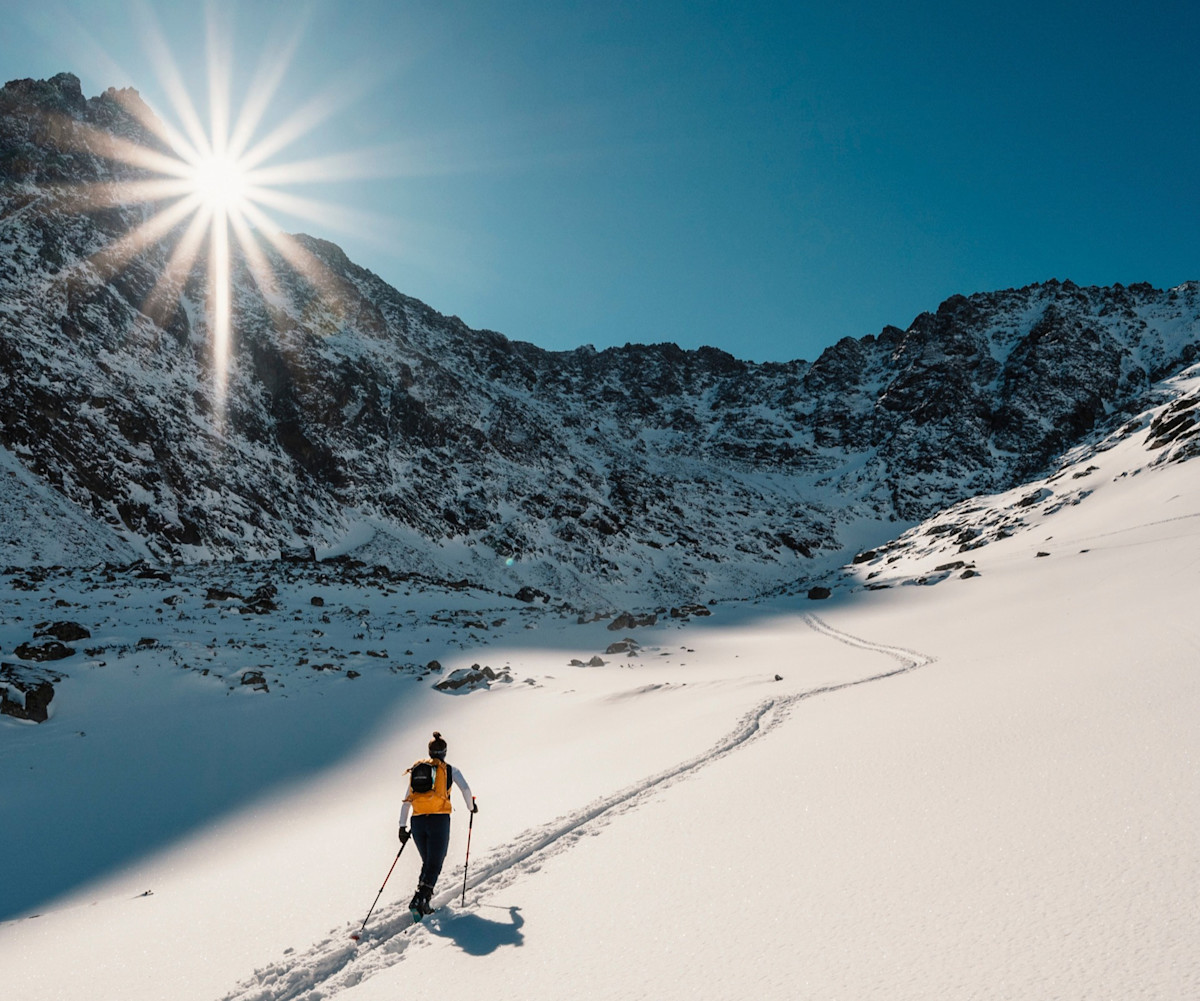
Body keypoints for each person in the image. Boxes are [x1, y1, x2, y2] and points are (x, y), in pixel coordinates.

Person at [398, 730, 477, 917]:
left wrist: (402, 827)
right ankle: (420, 899)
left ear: (430, 751)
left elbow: (407, 799)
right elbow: (465, 789)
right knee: (435, 862)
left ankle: (423, 899)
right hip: (438, 819)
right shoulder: (450, 770)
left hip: (417, 820)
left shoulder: (419, 770)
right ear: (445, 752)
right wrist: (471, 807)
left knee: (428, 862)